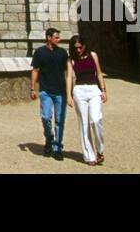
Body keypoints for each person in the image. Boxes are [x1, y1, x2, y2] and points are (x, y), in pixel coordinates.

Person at [67, 34, 107, 166]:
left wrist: (103, 90)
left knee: (95, 120)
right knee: (83, 124)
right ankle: (89, 155)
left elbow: (99, 73)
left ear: (84, 45)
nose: (78, 50)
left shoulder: (93, 55)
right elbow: (69, 78)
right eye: (75, 48)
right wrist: (69, 95)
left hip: (94, 89)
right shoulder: (71, 60)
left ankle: (100, 150)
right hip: (79, 91)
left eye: (80, 47)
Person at [29, 27, 68, 160]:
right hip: (45, 91)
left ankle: (57, 147)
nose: (59, 39)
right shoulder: (39, 52)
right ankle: (49, 138)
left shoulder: (63, 53)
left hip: (60, 92)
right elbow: (35, 70)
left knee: (59, 120)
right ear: (49, 38)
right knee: (46, 117)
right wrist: (32, 88)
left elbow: (68, 72)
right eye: (56, 37)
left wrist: (70, 91)